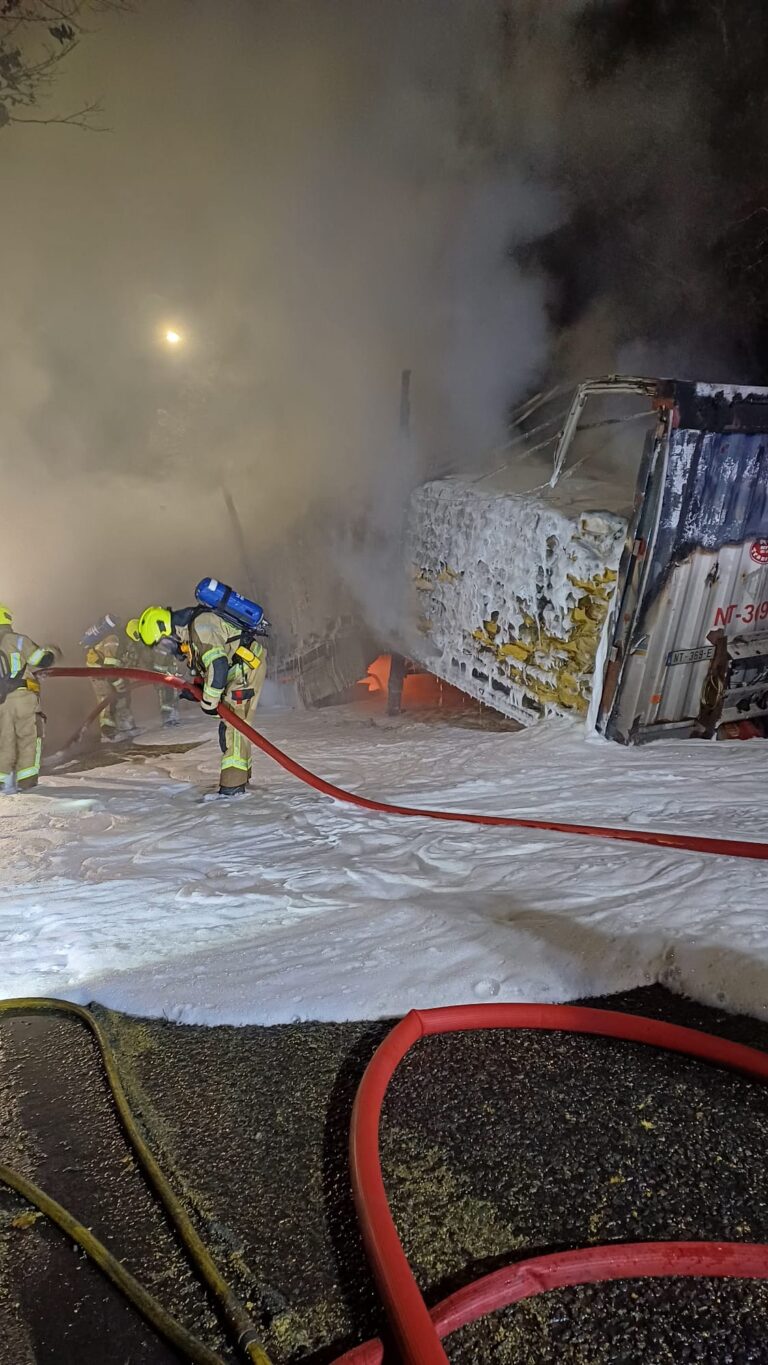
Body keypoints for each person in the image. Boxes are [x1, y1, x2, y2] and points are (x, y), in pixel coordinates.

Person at [136, 604, 267, 797]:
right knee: (230, 724)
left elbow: (218, 664)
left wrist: (209, 702)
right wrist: (198, 689)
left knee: (235, 726)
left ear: (166, 630)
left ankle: (233, 787)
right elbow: (205, 666)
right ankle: (241, 778)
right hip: (237, 671)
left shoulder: (200, 625)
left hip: (246, 671)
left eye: (163, 644)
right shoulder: (190, 631)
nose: (166, 650)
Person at [0, 605, 58, 792]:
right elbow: (41, 660)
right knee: (27, 738)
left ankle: (2, 781)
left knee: (4, 740)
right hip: (22, 697)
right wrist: (51, 652)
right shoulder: (16, 640)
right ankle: (27, 781)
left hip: (1, 702)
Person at [82, 615, 136, 743]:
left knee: (122, 695)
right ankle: (108, 733)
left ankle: (125, 727)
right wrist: (118, 682)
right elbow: (109, 666)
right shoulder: (113, 640)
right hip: (97, 670)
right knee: (106, 699)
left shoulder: (121, 641)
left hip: (109, 670)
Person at [125, 618, 184, 727]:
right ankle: (169, 719)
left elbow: (161, 657)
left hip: (165, 672)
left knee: (168, 693)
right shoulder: (141, 643)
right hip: (160, 674)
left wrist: (159, 674)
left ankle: (170, 718)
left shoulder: (153, 638)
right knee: (166, 694)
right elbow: (140, 659)